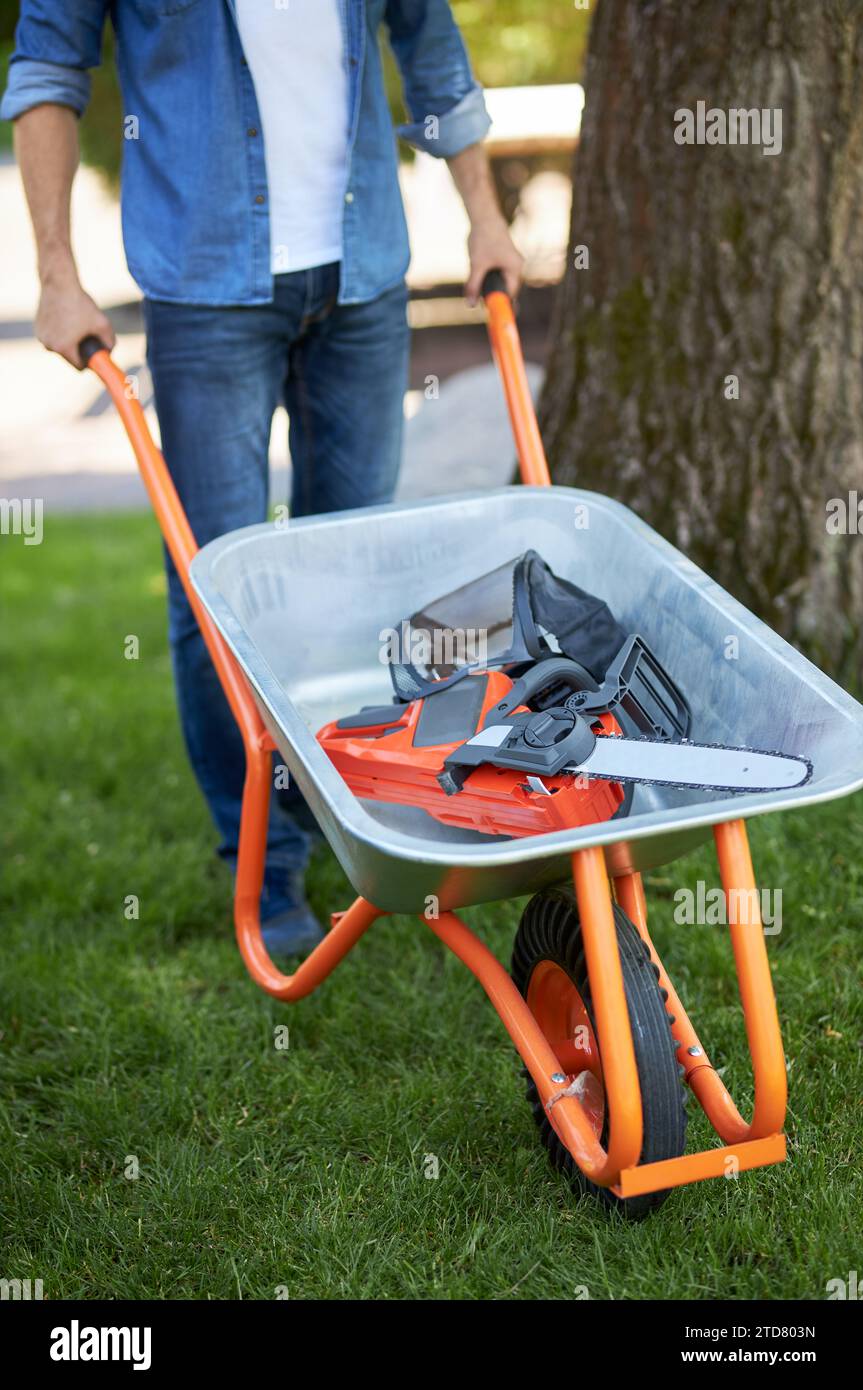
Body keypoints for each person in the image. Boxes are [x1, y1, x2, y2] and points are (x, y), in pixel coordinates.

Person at [2, 0, 523, 957]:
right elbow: (46, 69)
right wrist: (54, 273)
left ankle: (357, 808)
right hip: (203, 292)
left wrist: (485, 218)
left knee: (360, 576)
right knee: (219, 589)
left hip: (363, 282)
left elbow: (430, 43)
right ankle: (263, 854)